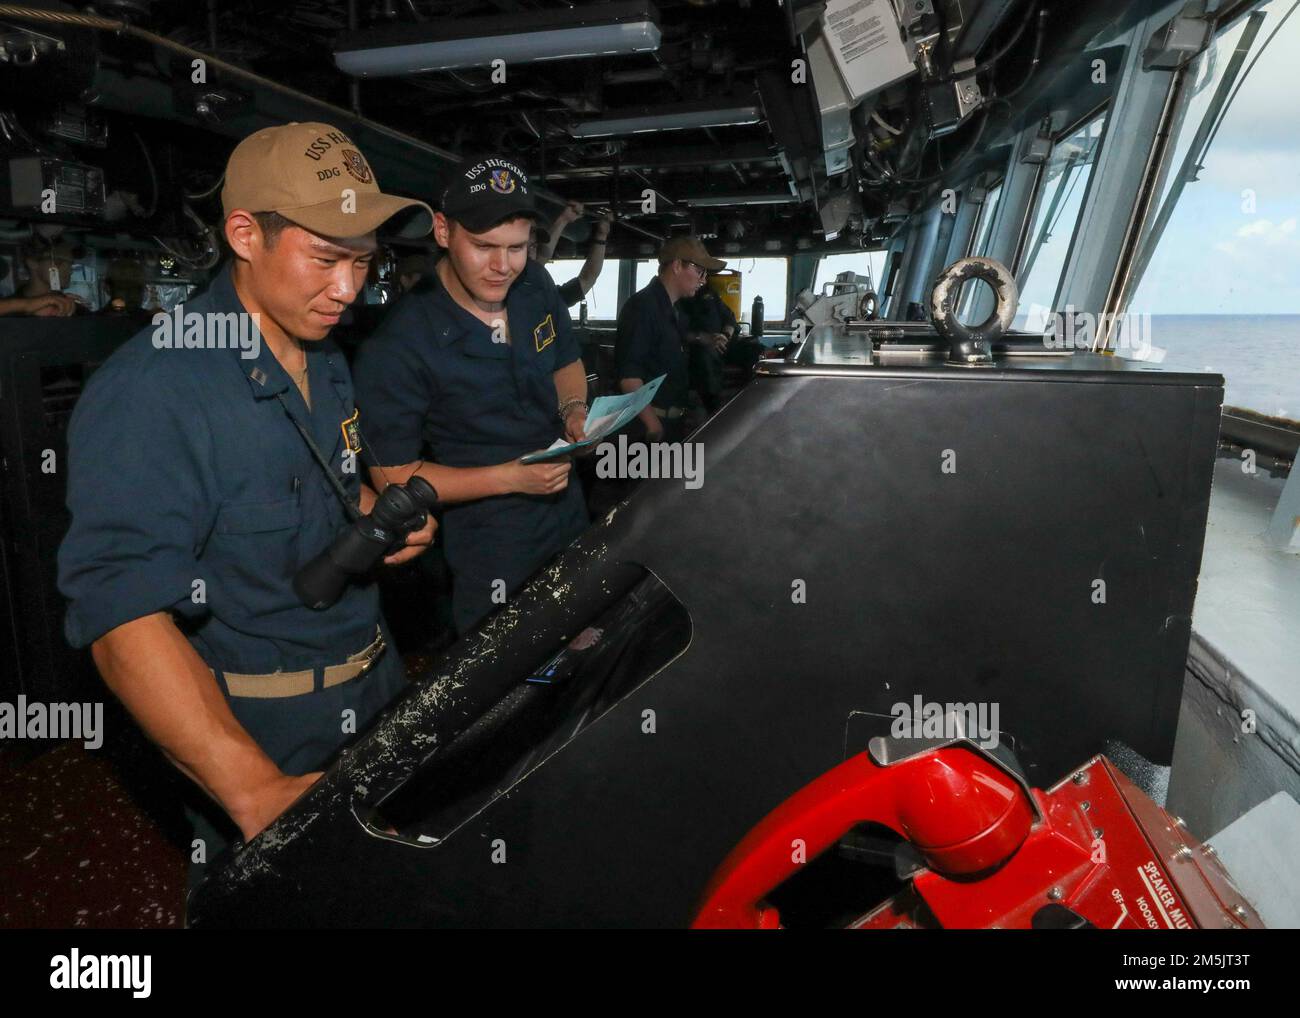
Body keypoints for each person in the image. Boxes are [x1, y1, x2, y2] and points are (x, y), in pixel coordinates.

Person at [57, 121, 436, 889]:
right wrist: (254, 789)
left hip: (373, 687)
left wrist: (375, 516)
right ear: (243, 234)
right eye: (326, 259)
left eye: (363, 262)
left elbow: (312, 483)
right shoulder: (154, 392)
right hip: (267, 732)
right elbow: (121, 615)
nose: (348, 290)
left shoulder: (323, 353)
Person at [353, 155, 589, 636]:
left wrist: (574, 410)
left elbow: (566, 360)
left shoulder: (535, 286)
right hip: (493, 535)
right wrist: (509, 479)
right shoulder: (399, 345)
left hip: (569, 507)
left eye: (518, 248)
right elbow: (392, 476)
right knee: (506, 668)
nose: (503, 267)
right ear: (443, 231)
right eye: (483, 247)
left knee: (584, 637)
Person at [614, 235, 725, 443]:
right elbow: (629, 379)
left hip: (672, 423)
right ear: (676, 265)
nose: (703, 280)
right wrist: (652, 426)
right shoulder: (642, 308)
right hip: (648, 428)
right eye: (699, 271)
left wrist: (701, 338)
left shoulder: (674, 311)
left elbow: (667, 345)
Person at [530, 201, 613, 309]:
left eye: (533, 246)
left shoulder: (549, 299)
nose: (529, 250)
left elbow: (588, 278)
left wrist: (601, 236)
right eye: (518, 247)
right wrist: (564, 219)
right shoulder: (513, 293)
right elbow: (541, 258)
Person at [678, 273, 737, 415]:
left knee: (754, 349)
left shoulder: (711, 294)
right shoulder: (680, 300)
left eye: (704, 275)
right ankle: (714, 410)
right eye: (699, 274)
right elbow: (678, 332)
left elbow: (730, 319)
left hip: (724, 341)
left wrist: (725, 335)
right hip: (700, 345)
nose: (703, 279)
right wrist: (703, 338)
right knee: (704, 357)